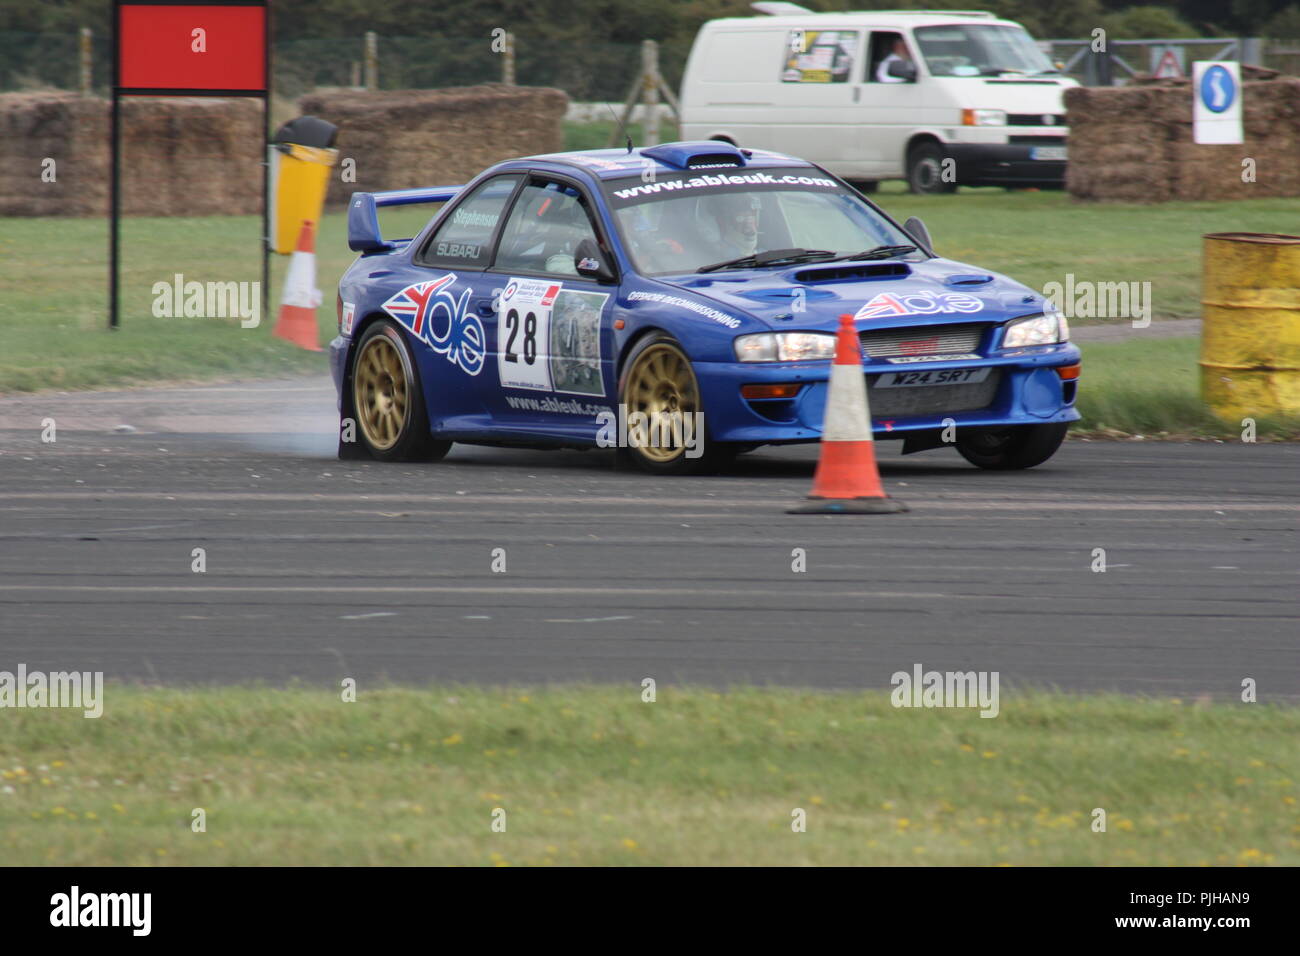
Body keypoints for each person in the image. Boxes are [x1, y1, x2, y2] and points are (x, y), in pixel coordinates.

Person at [709, 193, 761, 259]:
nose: (748, 223)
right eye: (741, 219)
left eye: (751, 218)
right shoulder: (721, 256)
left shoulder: (768, 256)